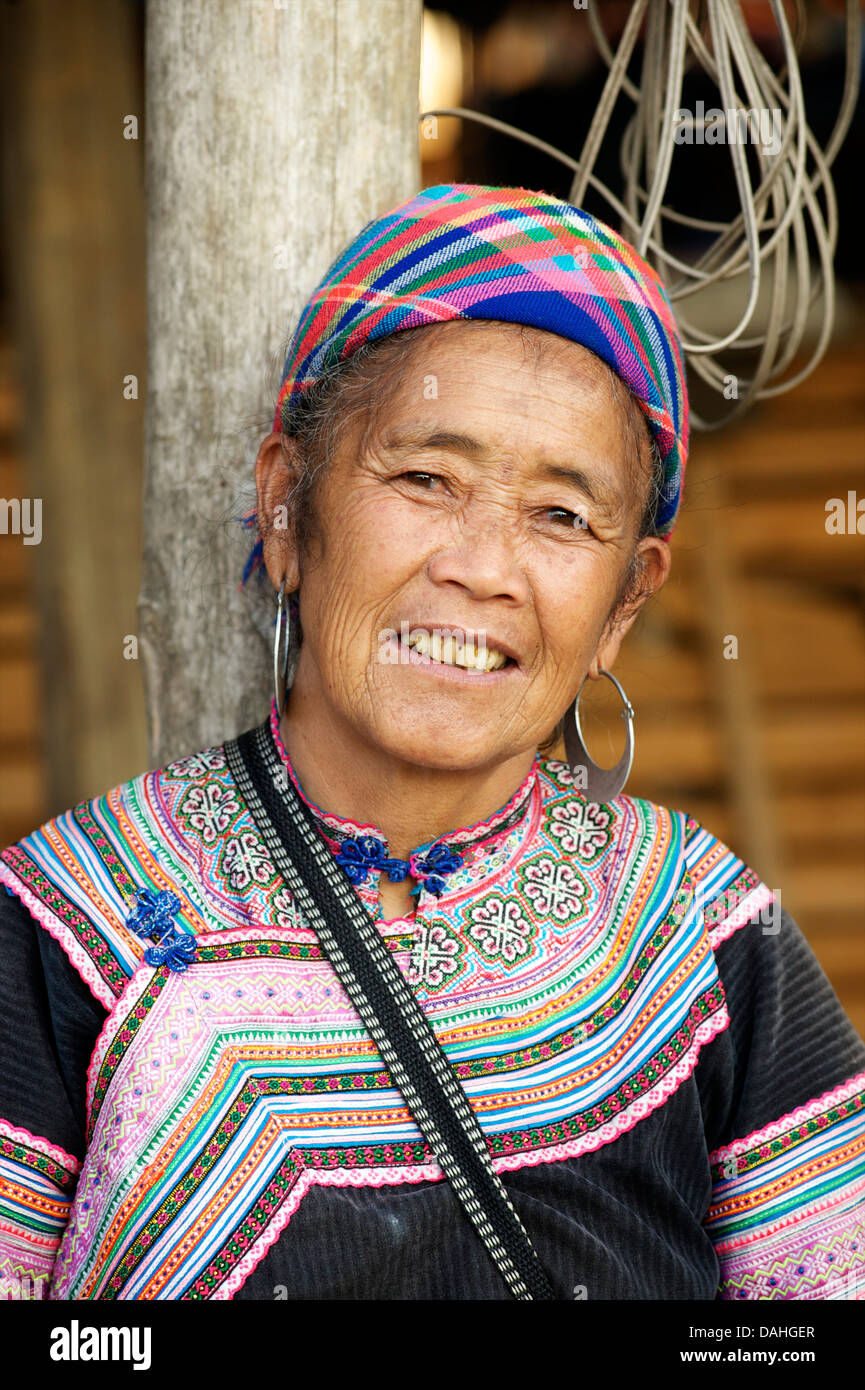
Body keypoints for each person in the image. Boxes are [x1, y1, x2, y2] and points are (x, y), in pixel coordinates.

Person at [1, 183, 862, 1302]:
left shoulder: (700, 934)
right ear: (285, 506)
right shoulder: (68, 926)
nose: (482, 565)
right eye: (425, 479)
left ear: (622, 605)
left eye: (561, 514)